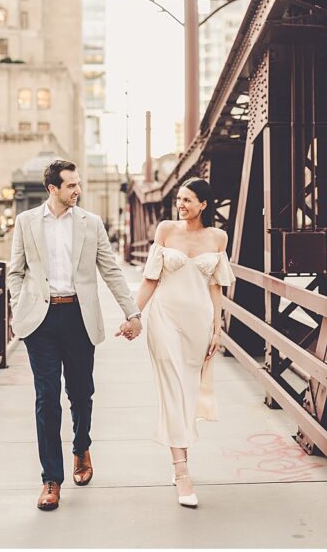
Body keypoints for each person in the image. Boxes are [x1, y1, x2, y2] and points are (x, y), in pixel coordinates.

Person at [7, 159, 142, 511]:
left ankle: (81, 445)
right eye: (71, 186)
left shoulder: (91, 223)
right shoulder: (26, 222)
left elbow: (111, 270)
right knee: (46, 398)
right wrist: (15, 308)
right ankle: (51, 479)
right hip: (41, 319)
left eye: (78, 184)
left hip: (79, 317)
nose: (77, 190)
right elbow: (15, 271)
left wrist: (132, 311)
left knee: (81, 393)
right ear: (53, 188)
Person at [125, 177, 233, 508]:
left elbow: (217, 287)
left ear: (204, 204)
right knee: (172, 389)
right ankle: (181, 471)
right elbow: (150, 280)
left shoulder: (218, 237)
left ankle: (181, 458)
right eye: (179, 199)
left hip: (199, 324)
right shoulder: (165, 231)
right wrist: (134, 315)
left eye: (188, 200)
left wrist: (217, 329)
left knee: (186, 392)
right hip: (165, 320)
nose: (181, 205)